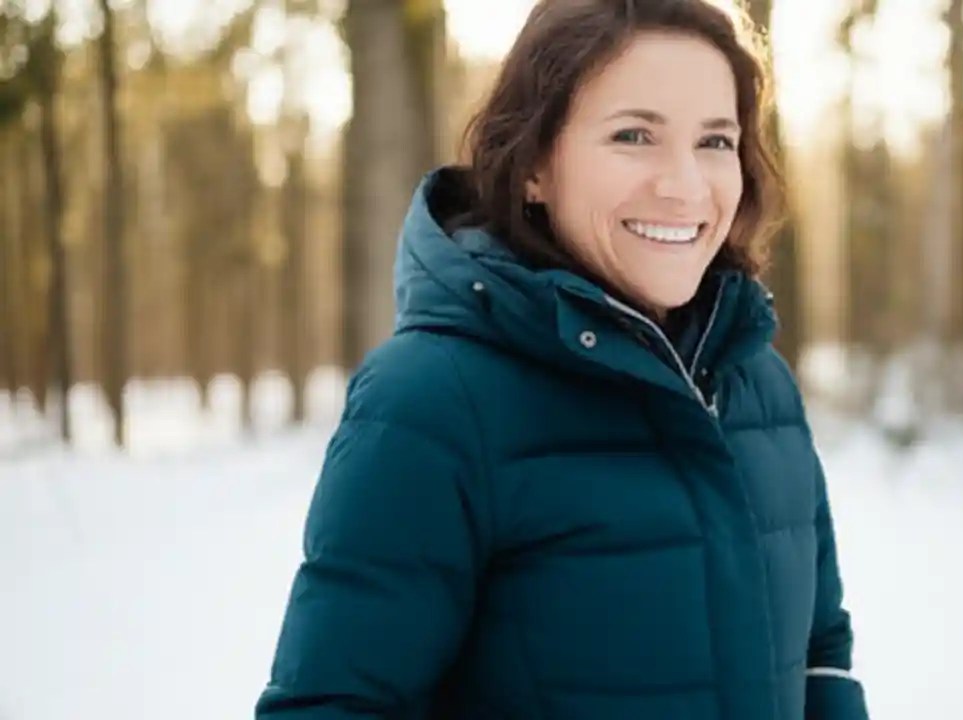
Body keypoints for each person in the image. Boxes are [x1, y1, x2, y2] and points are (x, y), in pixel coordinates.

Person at [256, 0, 869, 718]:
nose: (684, 185)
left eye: (715, 141)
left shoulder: (757, 382)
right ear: (533, 168)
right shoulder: (431, 400)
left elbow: (819, 656)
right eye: (634, 135)